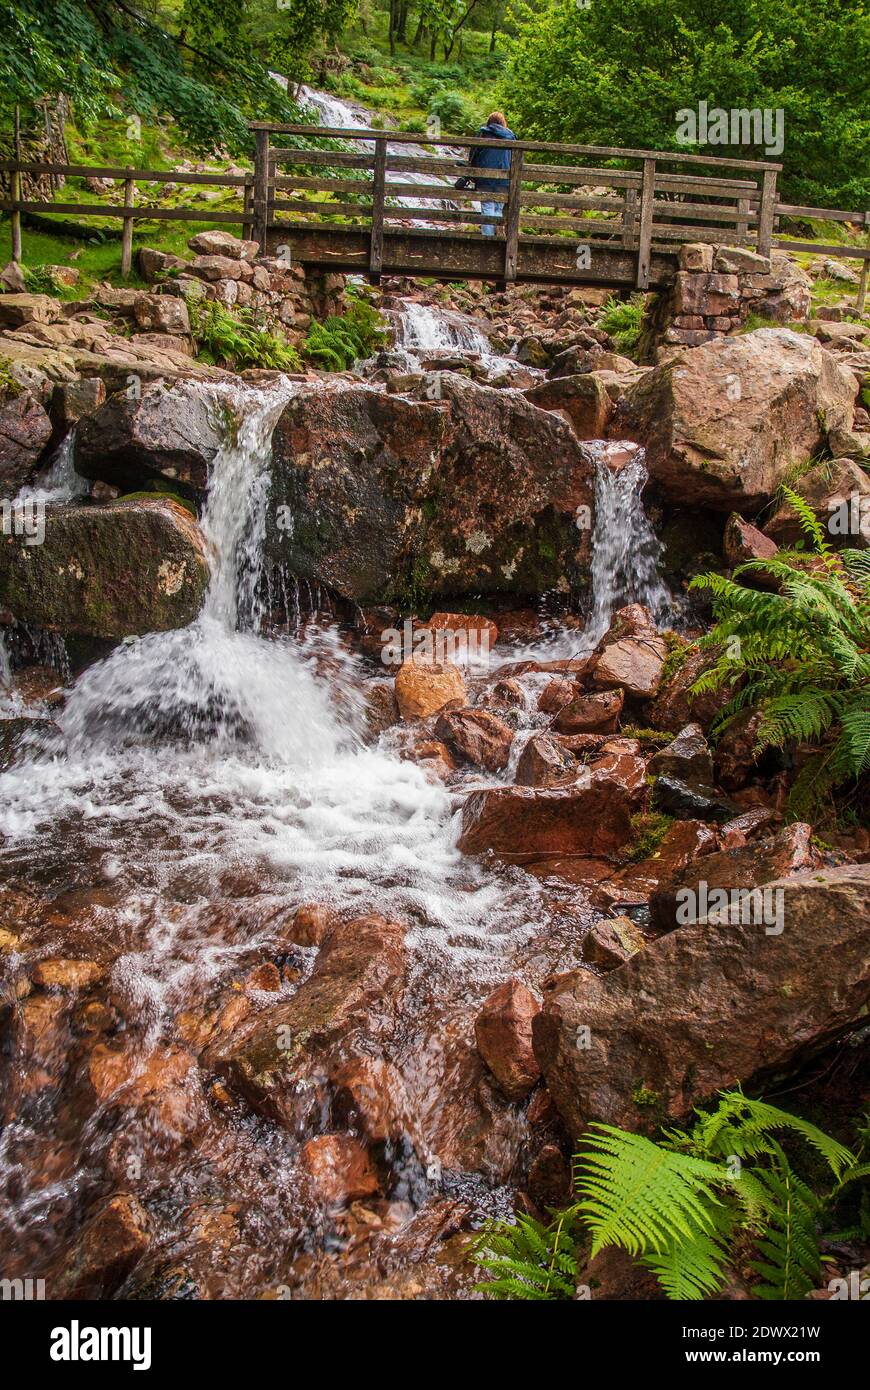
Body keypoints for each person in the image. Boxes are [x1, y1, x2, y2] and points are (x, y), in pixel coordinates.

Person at [467, 112, 516, 237]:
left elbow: (473, 156)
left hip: (485, 178)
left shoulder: (483, 134)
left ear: (489, 122)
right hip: (504, 179)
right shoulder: (510, 137)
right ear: (503, 122)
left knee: (487, 207)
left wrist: (471, 174)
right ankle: (497, 237)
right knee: (498, 208)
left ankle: (487, 238)